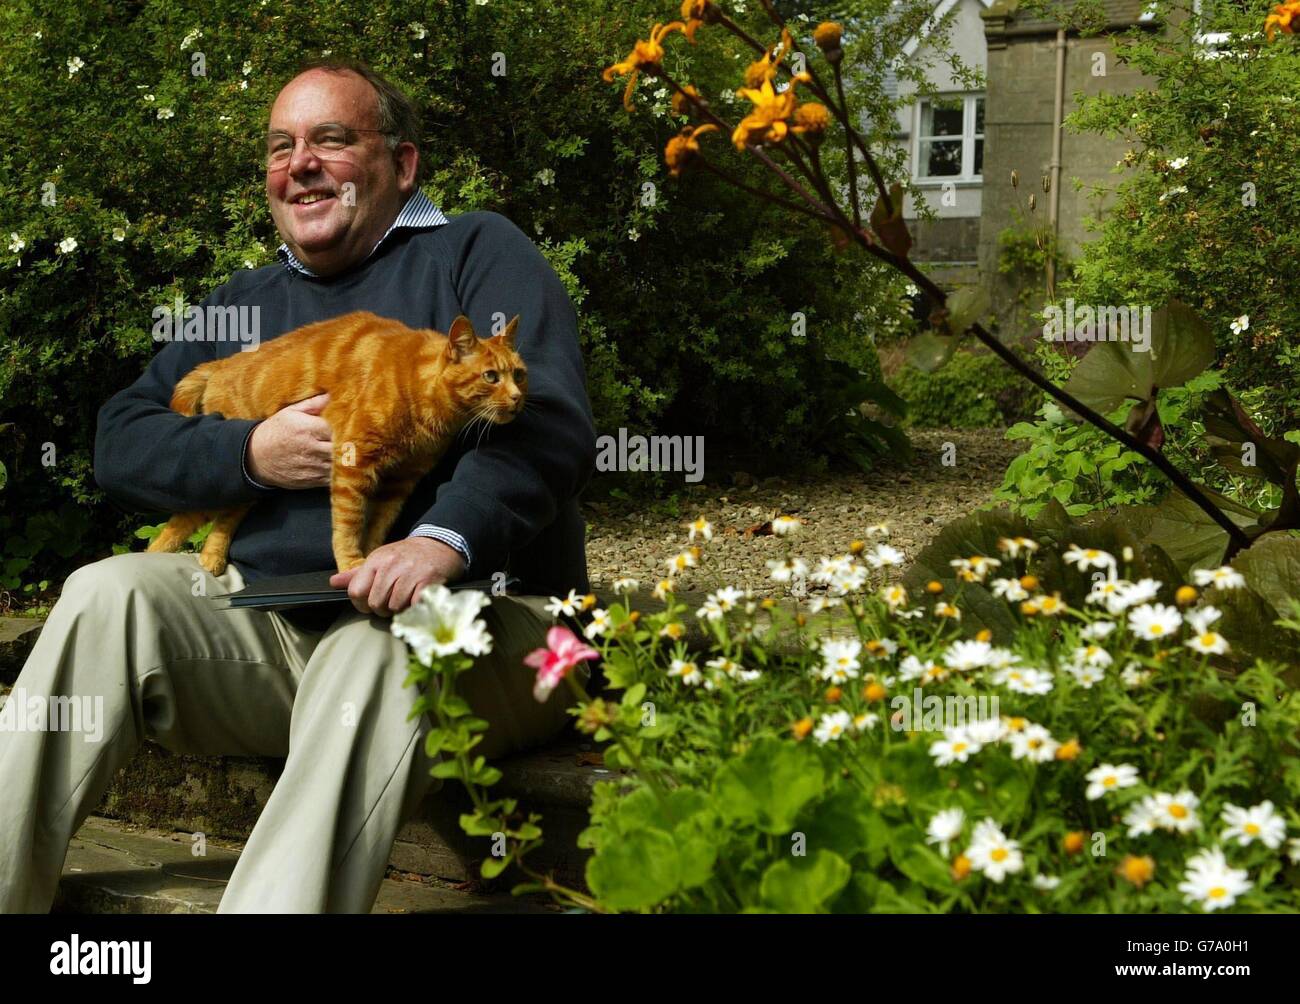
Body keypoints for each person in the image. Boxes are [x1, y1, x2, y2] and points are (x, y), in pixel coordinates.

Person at [0, 57, 596, 913]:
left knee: (377, 647)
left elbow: (552, 425)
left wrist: (440, 540)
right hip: (277, 633)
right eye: (281, 147)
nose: (300, 164)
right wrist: (251, 452)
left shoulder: (477, 250)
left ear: (402, 163)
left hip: (491, 629)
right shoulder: (247, 298)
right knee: (106, 593)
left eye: (331, 139)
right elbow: (121, 438)